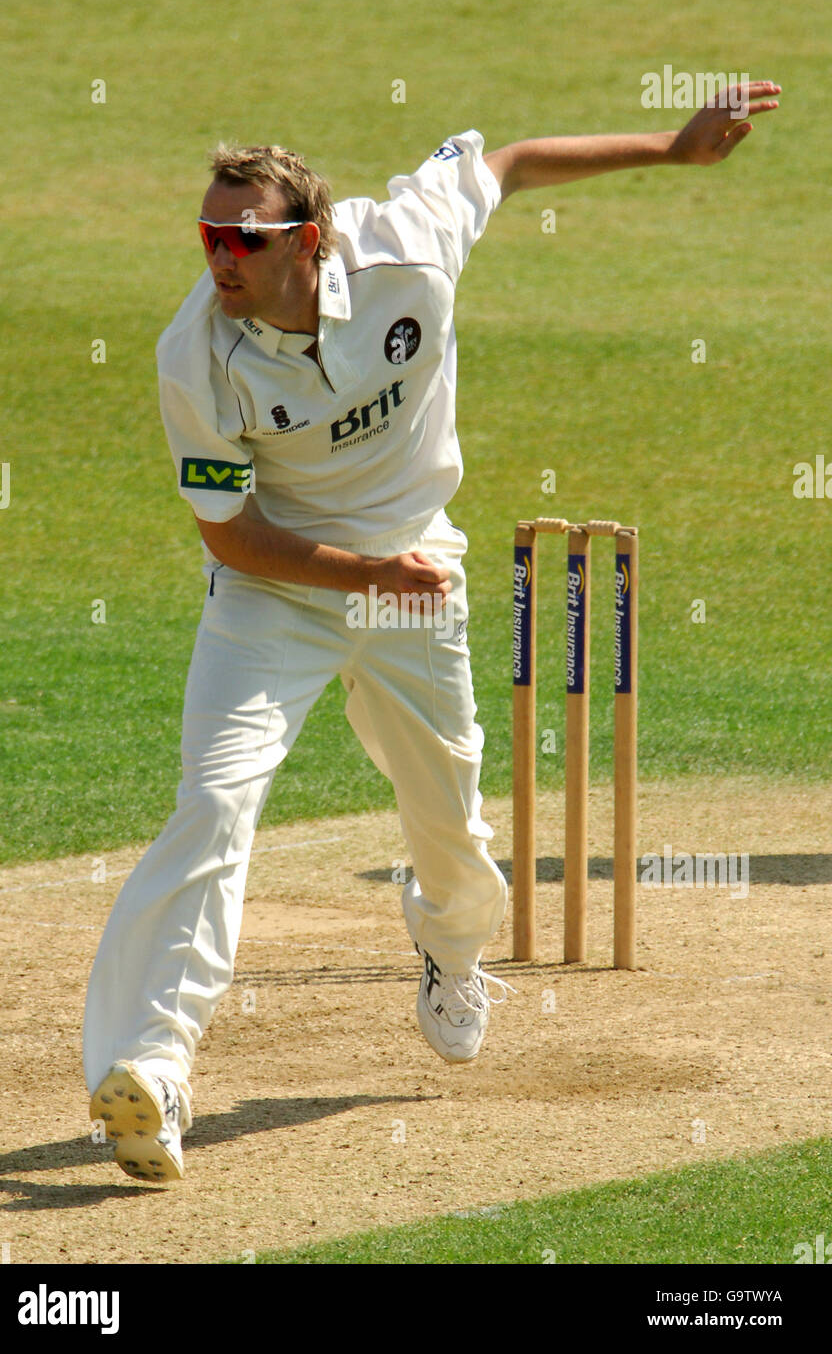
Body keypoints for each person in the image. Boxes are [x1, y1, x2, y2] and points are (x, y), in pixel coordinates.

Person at [83, 81, 781, 1184]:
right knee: (213, 804)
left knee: (449, 828)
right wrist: (364, 571)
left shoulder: (404, 244)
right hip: (281, 592)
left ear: (308, 241)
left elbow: (508, 162)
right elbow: (233, 538)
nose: (219, 257)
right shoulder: (196, 354)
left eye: (244, 237)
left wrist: (673, 148)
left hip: (419, 576)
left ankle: (451, 954)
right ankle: (150, 1073)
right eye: (208, 234)